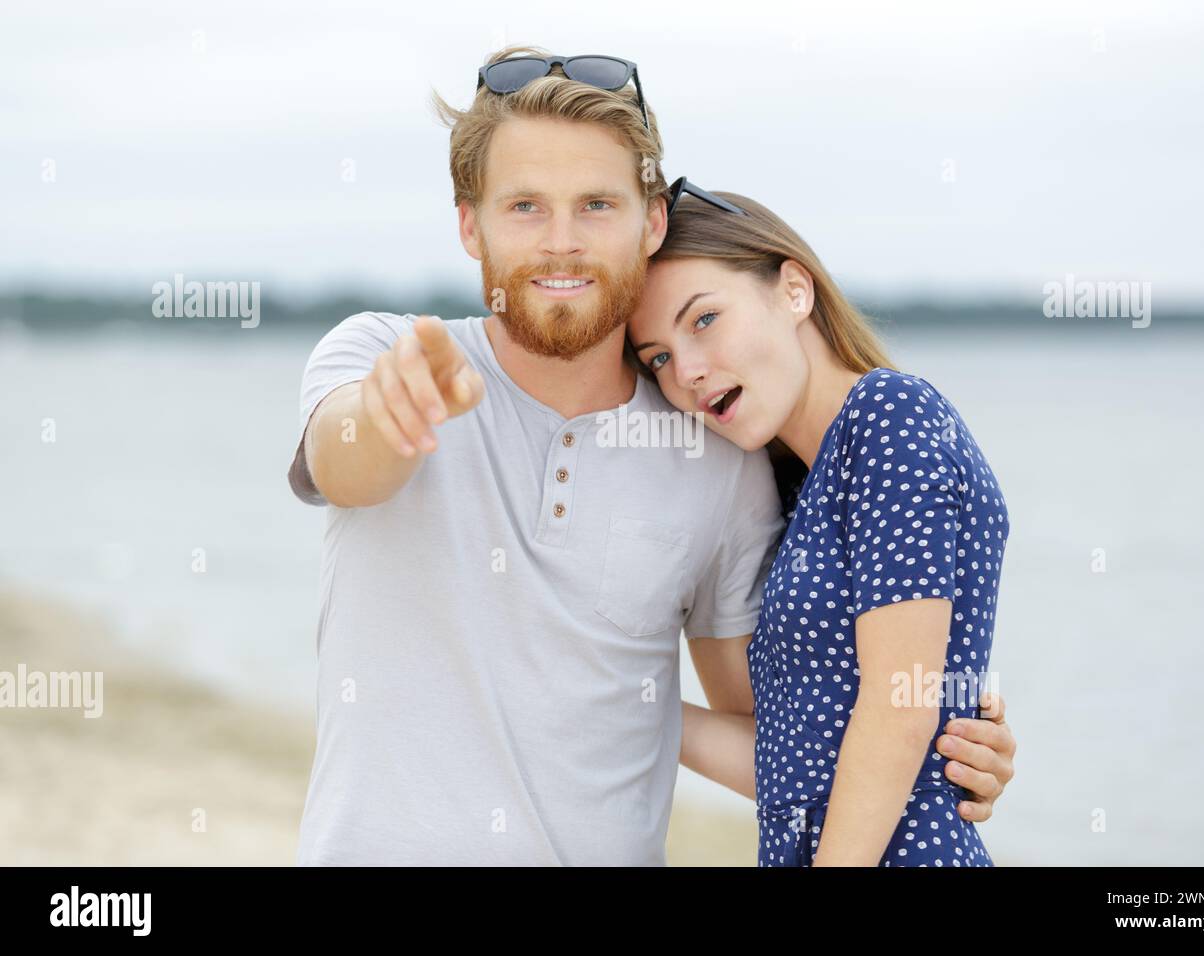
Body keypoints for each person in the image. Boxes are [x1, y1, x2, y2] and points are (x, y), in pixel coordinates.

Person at [287, 45, 1017, 865]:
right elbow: (346, 462)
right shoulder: (381, 356)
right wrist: (393, 419)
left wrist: (942, 745)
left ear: (652, 221)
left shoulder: (723, 459)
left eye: (597, 204)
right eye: (525, 205)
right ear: (470, 224)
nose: (561, 242)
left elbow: (782, 733)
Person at [628, 184, 1012, 866]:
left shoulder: (891, 417)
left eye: (705, 319)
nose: (685, 371)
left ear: (794, 290)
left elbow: (899, 713)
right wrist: (616, 702)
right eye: (657, 356)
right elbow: (791, 765)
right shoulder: (804, 490)